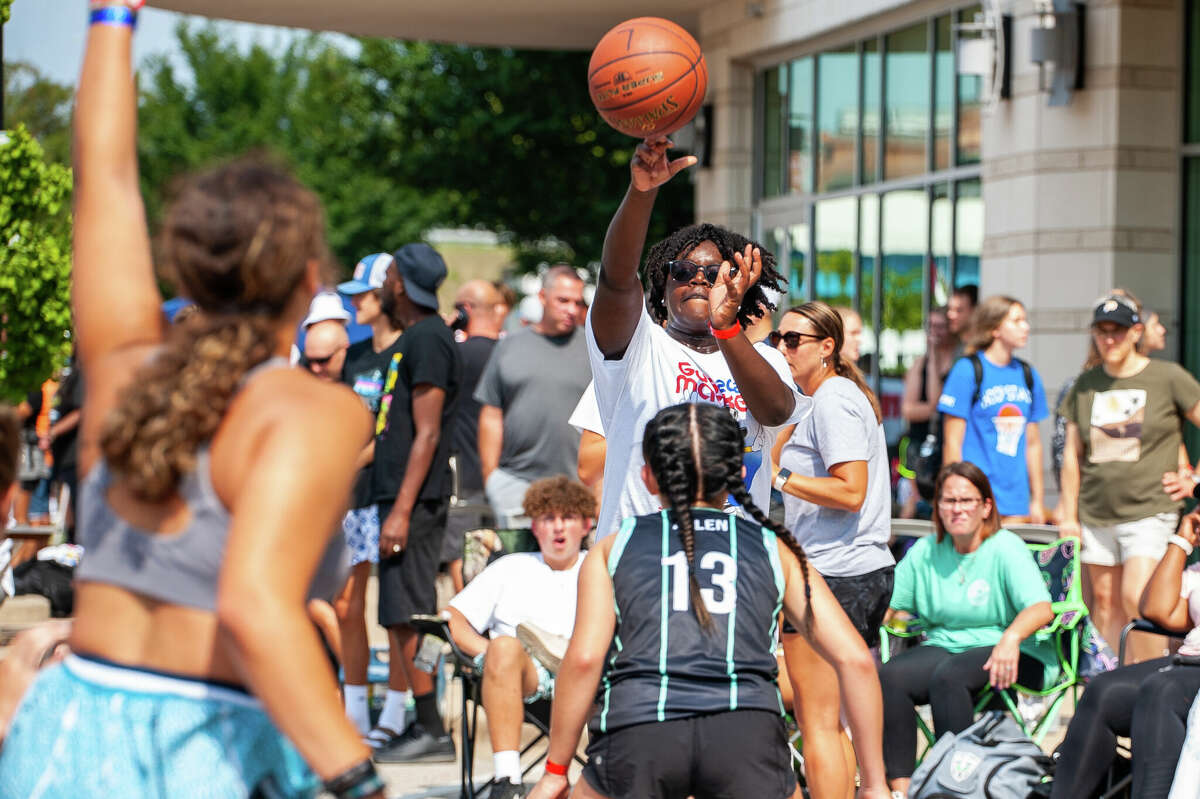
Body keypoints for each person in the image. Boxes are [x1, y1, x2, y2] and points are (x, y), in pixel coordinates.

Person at [0, 10, 382, 799]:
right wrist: (359, 779)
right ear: (311, 275)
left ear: (183, 262)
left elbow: (102, 178)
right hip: (205, 744)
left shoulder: (123, 369)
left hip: (66, 731)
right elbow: (255, 606)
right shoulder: (313, 411)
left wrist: (112, 18)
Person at [527, 403, 890, 799]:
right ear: (738, 474)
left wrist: (556, 770)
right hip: (746, 734)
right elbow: (854, 660)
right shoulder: (775, 549)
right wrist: (874, 783)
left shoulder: (615, 547)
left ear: (648, 477)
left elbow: (582, 662)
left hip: (642, 730)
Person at [586, 136, 809, 542]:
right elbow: (616, 280)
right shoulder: (642, 350)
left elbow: (775, 411)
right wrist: (641, 193)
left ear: (740, 282)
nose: (699, 280)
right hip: (645, 560)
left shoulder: (766, 358)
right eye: (683, 271)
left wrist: (726, 328)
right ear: (663, 284)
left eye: (713, 272)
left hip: (735, 560)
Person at [770, 301, 895, 799]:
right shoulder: (821, 398)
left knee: (818, 721)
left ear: (827, 347)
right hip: (845, 569)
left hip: (836, 571)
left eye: (794, 339)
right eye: (779, 337)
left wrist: (780, 478)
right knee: (831, 719)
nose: (783, 347)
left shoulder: (833, 399)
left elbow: (850, 492)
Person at [879, 462, 1055, 795]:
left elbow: (1040, 608)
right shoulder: (926, 552)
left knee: (950, 676)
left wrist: (1011, 638)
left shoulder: (1005, 547)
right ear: (938, 507)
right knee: (890, 676)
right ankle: (901, 789)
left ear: (986, 506)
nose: (957, 509)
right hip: (946, 644)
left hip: (1013, 650)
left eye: (966, 500)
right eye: (949, 501)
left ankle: (958, 786)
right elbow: (889, 607)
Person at [1058, 293, 1200, 663]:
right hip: (1096, 511)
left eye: (1117, 331)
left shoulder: (1167, 376)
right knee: (1103, 604)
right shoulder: (1085, 384)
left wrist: (1194, 480)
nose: (1109, 339)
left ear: (1136, 332)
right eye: (1101, 332)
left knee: (1138, 598)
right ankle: (1115, 682)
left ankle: (1147, 685)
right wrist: (1068, 514)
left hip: (1151, 508)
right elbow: (1072, 455)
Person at [445, 476, 596, 799]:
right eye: (548, 518)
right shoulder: (510, 567)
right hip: (523, 678)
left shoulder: (598, 567)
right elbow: (454, 618)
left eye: (567, 517)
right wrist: (496, 655)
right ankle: (507, 782)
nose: (558, 528)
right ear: (534, 527)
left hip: (587, 676)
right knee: (504, 647)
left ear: (585, 525)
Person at [370, 243, 462, 764]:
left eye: (387, 275)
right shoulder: (415, 337)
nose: (383, 282)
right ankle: (422, 722)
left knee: (414, 612)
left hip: (418, 502)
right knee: (399, 615)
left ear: (401, 283)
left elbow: (427, 435)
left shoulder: (428, 339)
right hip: (400, 497)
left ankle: (432, 728)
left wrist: (402, 511)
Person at [1049, 511, 1200, 799]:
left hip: (1183, 677)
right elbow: (1157, 610)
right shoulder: (1196, 573)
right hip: (1190, 661)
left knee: (1161, 690)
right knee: (1104, 689)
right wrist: (1182, 539)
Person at [333, 251, 407, 745]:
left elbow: (393, 431)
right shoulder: (355, 356)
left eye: (362, 292)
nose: (355, 301)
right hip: (352, 496)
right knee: (346, 604)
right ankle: (354, 710)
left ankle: (397, 715)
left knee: (397, 609)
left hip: (394, 494)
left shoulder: (410, 350)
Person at [476, 265, 591, 528]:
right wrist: (491, 477)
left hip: (576, 488)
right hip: (516, 484)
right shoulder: (509, 346)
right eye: (563, 301)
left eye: (577, 302)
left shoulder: (593, 350)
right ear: (542, 297)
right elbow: (491, 414)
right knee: (518, 566)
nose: (571, 309)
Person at [938, 295, 1048, 524]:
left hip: (1016, 500)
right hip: (976, 497)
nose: (1025, 327)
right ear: (995, 329)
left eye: (1024, 320)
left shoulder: (1027, 374)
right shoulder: (968, 370)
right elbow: (952, 442)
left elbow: (1033, 444)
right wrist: (955, 497)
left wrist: (1037, 499)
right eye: (1016, 321)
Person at [444, 279, 506, 592]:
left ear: (464, 311)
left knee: (459, 552)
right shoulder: (511, 353)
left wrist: (446, 330)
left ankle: (465, 628)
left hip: (460, 476)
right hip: (505, 472)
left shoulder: (452, 354)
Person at [899, 307, 954, 518]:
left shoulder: (959, 362)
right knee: (911, 505)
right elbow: (909, 410)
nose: (935, 332)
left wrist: (931, 408)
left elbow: (936, 404)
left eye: (940, 326)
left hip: (944, 444)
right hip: (918, 446)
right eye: (930, 326)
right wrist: (931, 359)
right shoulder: (919, 364)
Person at [947, 284, 977, 355]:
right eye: (949, 309)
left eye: (959, 310)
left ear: (975, 311)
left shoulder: (981, 350)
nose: (950, 315)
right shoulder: (954, 347)